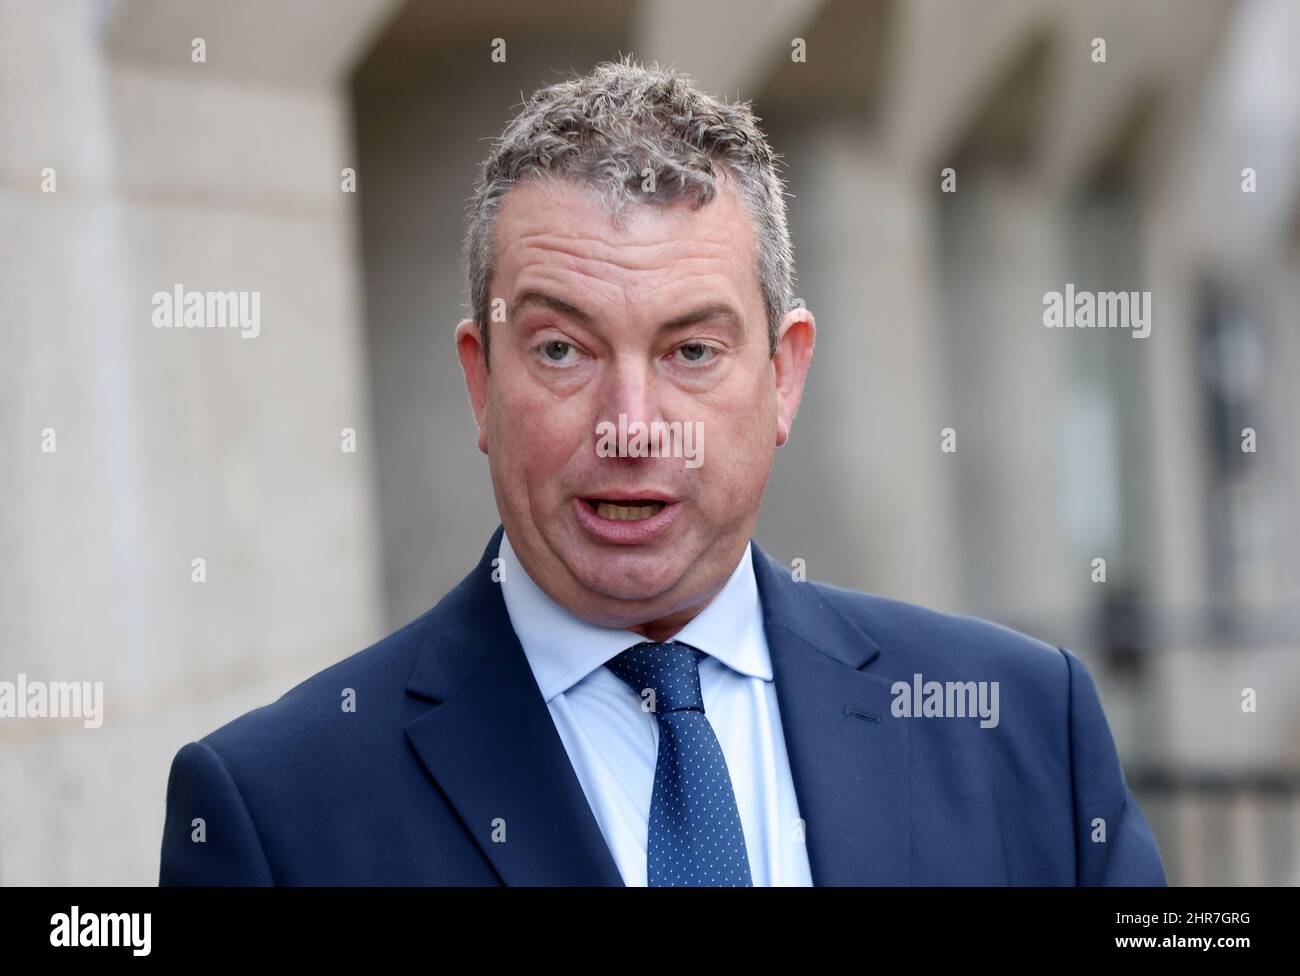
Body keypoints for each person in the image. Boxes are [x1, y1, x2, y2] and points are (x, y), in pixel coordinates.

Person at [159, 56, 1166, 886]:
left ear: (783, 375)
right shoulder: (276, 814)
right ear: (481, 380)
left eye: (690, 351)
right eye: (562, 350)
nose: (632, 428)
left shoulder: (1025, 724)